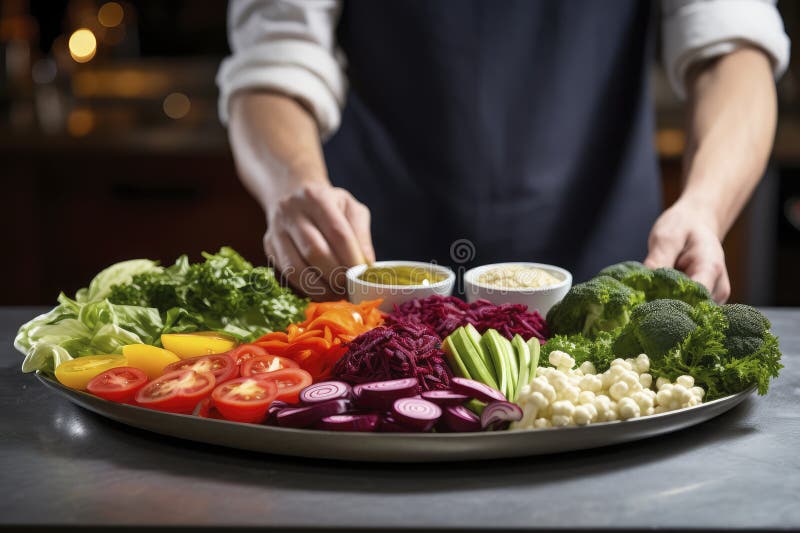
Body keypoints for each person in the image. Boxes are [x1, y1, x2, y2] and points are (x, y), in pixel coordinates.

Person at [218, 0, 790, 302]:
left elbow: (733, 46)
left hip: (607, 266)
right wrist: (296, 186)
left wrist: (704, 206)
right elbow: (275, 59)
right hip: (371, 277)